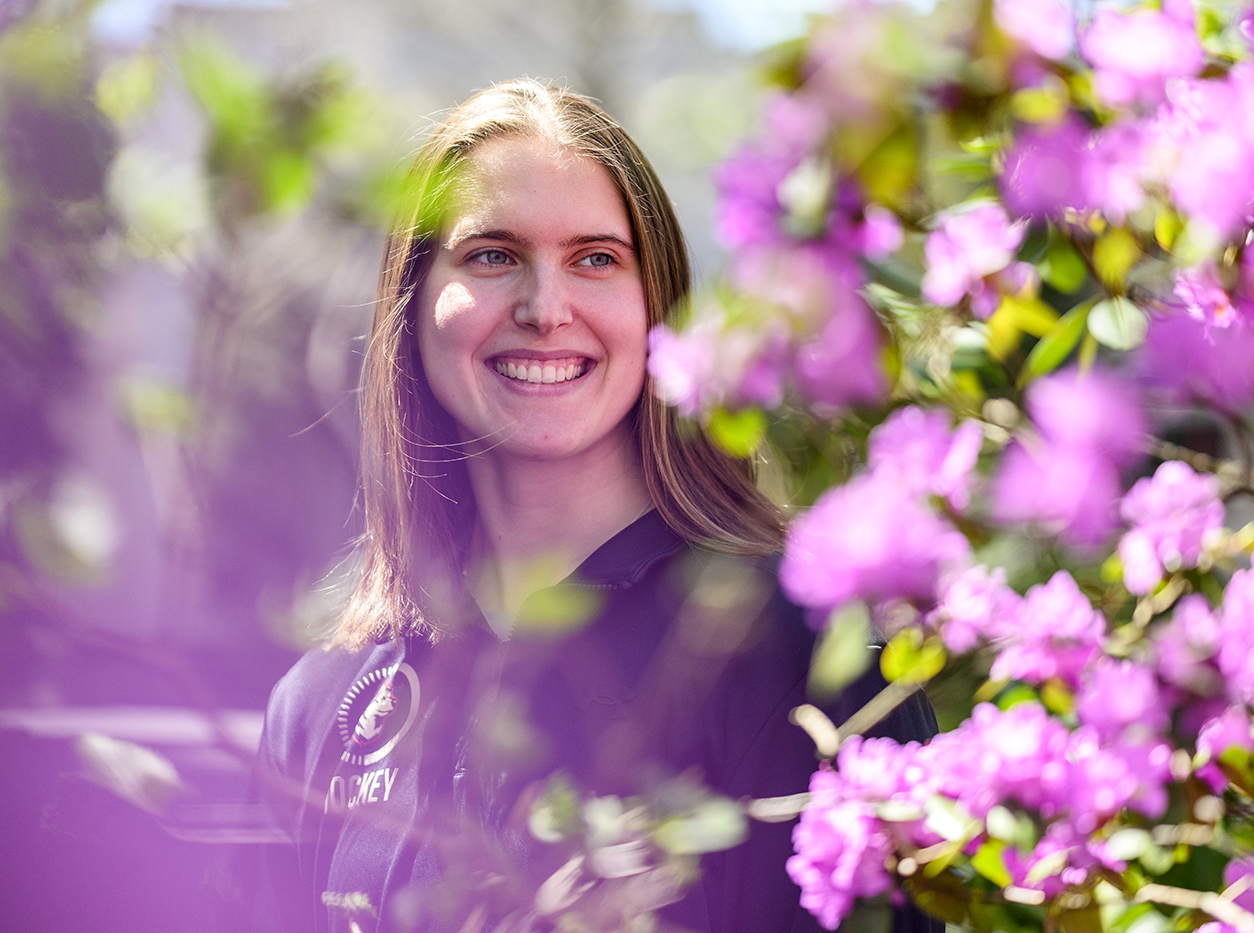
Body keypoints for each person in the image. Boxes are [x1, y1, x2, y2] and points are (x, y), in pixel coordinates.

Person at [253, 78, 938, 932]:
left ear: (658, 307)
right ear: (413, 305)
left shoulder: (802, 655)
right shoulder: (321, 705)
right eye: (492, 255)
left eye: (597, 259)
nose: (546, 309)